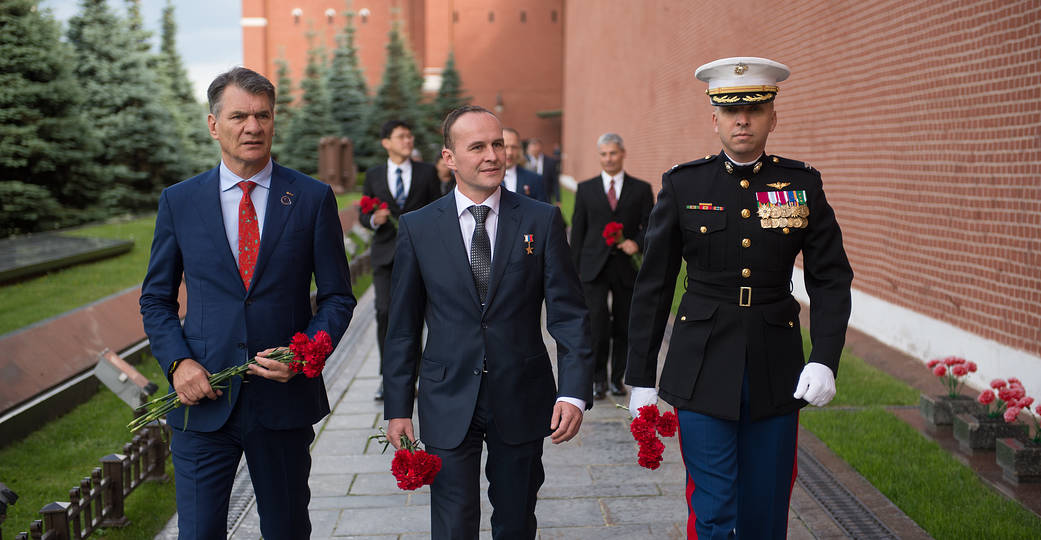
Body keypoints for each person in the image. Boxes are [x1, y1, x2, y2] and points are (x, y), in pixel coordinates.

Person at [625, 57, 854, 539]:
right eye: (731, 111)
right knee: (712, 509)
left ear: (774, 117)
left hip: (776, 365)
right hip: (702, 363)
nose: (743, 120)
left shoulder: (801, 184)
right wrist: (641, 377)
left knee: (765, 509)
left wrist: (825, 359)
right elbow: (654, 286)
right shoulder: (684, 184)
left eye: (755, 109)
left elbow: (830, 277)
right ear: (715, 119)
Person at [139, 67, 356, 539]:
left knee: (285, 529)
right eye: (239, 116)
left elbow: (338, 297)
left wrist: (303, 355)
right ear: (214, 125)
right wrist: (178, 364)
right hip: (202, 401)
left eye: (263, 115)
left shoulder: (312, 198)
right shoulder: (179, 201)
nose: (252, 127)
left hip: (282, 402)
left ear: (274, 120)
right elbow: (156, 298)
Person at [383, 105, 593, 539]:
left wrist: (573, 392)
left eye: (497, 144)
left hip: (521, 394)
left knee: (516, 522)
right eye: (477, 147)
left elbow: (569, 314)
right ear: (449, 158)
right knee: (453, 524)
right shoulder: (418, 228)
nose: (493, 155)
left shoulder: (541, 219)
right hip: (447, 397)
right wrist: (398, 408)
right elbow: (402, 326)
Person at [360, 120, 442, 401]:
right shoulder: (373, 175)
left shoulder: (427, 172)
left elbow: (439, 210)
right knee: (384, 312)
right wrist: (374, 219)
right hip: (385, 256)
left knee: (415, 315)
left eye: (410, 135)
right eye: (401, 136)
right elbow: (363, 213)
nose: (408, 140)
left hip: (420, 256)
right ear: (386, 143)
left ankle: (414, 377)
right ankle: (388, 378)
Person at [569, 133, 653, 400]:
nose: (608, 159)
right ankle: (598, 380)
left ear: (623, 153)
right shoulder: (586, 189)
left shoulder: (641, 189)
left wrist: (636, 242)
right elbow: (578, 231)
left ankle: (618, 379)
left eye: (613, 153)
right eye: (604, 154)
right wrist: (573, 270)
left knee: (624, 325)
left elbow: (651, 226)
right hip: (593, 267)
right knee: (597, 325)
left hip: (626, 267)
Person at [502, 127, 548, 202]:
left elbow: (543, 207)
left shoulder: (535, 180)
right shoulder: (485, 180)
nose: (510, 152)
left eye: (514, 147)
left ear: (519, 149)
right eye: (505, 146)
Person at [525, 137, 561, 203]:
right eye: (532, 146)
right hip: (528, 197)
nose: (534, 148)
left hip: (546, 197)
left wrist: (558, 199)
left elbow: (555, 181)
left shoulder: (550, 161)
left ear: (540, 147)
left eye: (536, 145)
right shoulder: (524, 161)